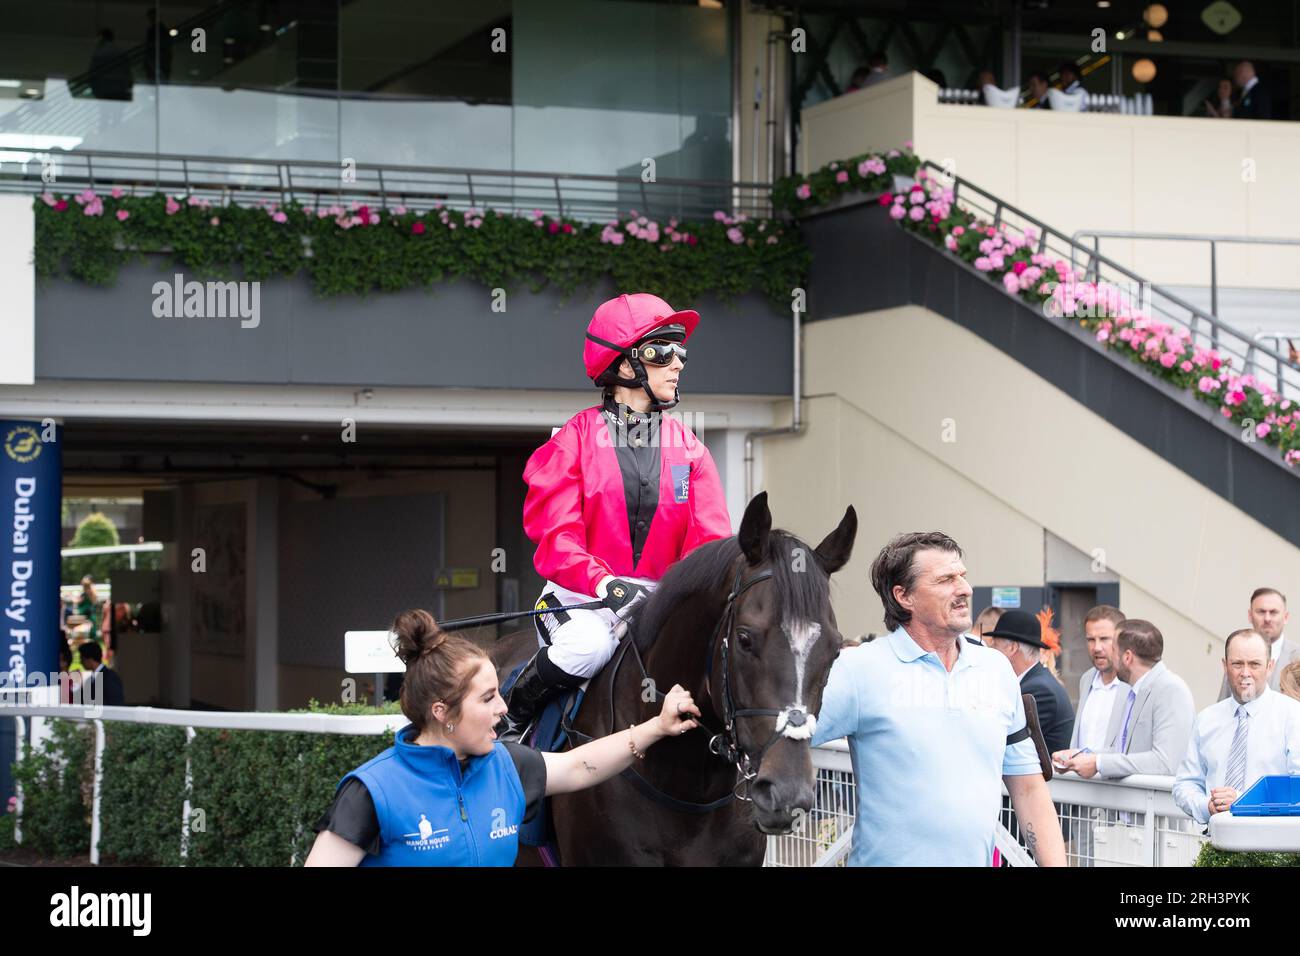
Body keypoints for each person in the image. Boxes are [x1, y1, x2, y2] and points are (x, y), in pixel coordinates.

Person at [305, 609, 700, 866]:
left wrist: (657, 727)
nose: (504, 709)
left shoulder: (507, 765)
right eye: (488, 698)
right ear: (442, 712)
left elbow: (579, 766)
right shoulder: (371, 791)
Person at [504, 293, 732, 735]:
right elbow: (557, 540)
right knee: (586, 648)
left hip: (659, 605)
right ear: (625, 366)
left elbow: (709, 549)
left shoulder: (693, 452)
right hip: (580, 600)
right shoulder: (572, 441)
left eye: (680, 352)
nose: (678, 363)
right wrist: (606, 584)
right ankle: (511, 720)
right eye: (662, 352)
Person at [812, 532, 1065, 866]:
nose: (964, 589)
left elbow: (1029, 788)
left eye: (962, 576)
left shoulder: (995, 669)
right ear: (903, 596)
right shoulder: (859, 669)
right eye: (945, 579)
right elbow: (776, 739)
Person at [1173, 629, 1300, 824]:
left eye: (1254, 664)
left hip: (1273, 845)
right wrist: (1206, 805)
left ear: (1270, 666)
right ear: (1225, 666)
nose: (1245, 673)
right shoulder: (1207, 719)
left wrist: (1243, 802)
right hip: (1216, 843)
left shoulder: (1292, 716)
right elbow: (1185, 784)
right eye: (1237, 664)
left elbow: (1297, 790)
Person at [1056, 620, 1193, 778]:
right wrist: (1078, 755)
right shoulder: (1137, 690)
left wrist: (1098, 763)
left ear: (1127, 657)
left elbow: (1164, 762)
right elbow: (1124, 751)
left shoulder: (1170, 689)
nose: (1108, 654)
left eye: (1113, 649)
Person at [983, 610, 1075, 753]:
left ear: (1012, 648)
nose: (990, 651)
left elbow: (1005, 742)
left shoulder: (1039, 690)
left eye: (995, 645)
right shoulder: (1033, 682)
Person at [1068, 606, 1130, 753]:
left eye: (1104, 639)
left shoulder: (1133, 683)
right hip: (1080, 775)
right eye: (1090, 639)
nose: (1096, 647)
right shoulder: (1087, 679)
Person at [1218, 588, 1298, 699]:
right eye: (1261, 612)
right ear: (1250, 615)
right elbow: (1224, 702)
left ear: (1285, 617)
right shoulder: (1236, 651)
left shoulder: (1297, 657)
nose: (1267, 618)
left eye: (1273, 612)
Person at [78, 641, 125, 706]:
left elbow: (116, 704)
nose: (81, 662)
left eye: (82, 659)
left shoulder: (109, 677)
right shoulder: (94, 678)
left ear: (89, 660)